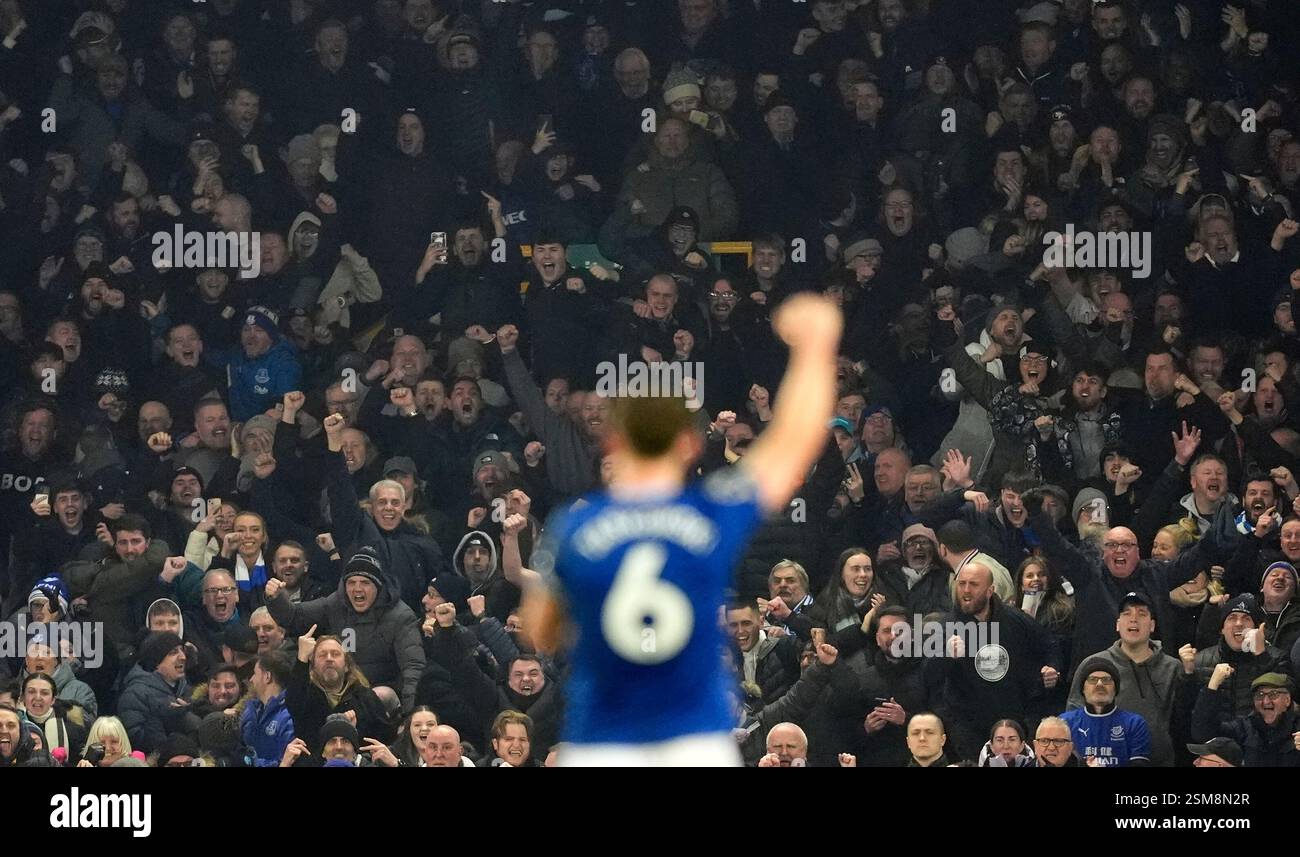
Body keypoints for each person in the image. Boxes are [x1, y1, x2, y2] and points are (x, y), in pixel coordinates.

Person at [518, 294, 842, 766]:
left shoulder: (577, 523)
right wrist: (815, 348)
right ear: (690, 445)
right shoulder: (709, 515)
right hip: (694, 740)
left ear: (613, 440)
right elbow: (792, 442)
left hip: (603, 738)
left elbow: (539, 630)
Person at [1059, 658, 1153, 766]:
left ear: (1115, 688)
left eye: (1106, 679)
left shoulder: (1134, 723)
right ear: (1083, 689)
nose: (1099, 684)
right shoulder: (1065, 722)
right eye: (1093, 679)